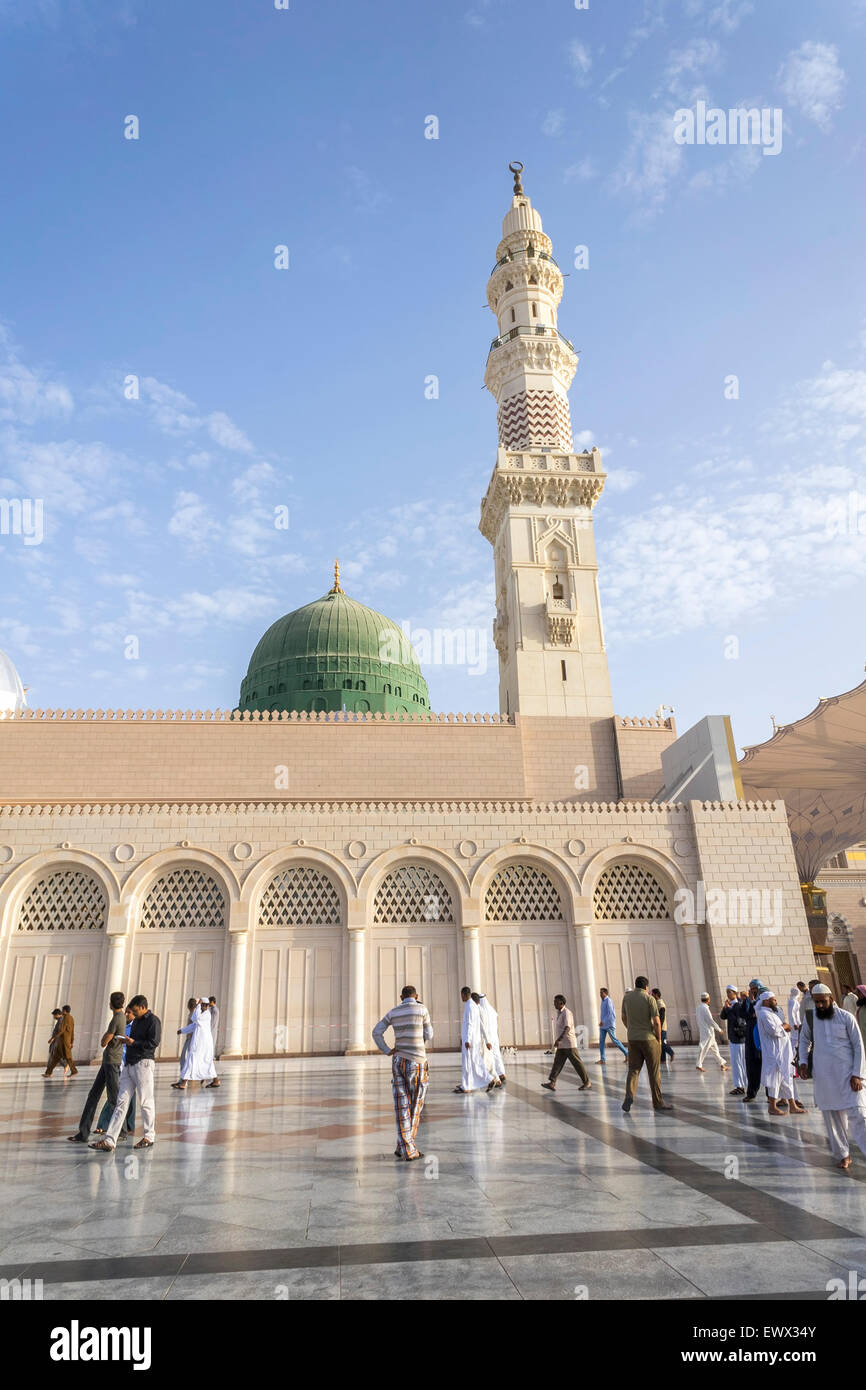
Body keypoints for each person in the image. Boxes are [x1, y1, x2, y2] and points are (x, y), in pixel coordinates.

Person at [798, 984, 866, 1170]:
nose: (819, 1005)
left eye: (823, 1001)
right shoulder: (811, 1019)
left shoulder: (846, 1018)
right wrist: (803, 1061)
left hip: (848, 1076)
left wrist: (857, 1074)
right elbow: (804, 1040)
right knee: (832, 1119)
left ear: (831, 999)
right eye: (816, 1001)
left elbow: (858, 1046)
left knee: (859, 1115)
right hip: (824, 1078)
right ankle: (843, 1155)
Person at [89, 995, 161, 1152]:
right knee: (121, 1102)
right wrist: (127, 1042)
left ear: (143, 1007)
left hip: (144, 1064)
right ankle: (110, 1140)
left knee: (145, 1101)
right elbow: (133, 1040)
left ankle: (149, 1136)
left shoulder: (153, 1021)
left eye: (135, 1011)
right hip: (129, 1064)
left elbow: (153, 1043)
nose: (133, 1014)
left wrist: (134, 1043)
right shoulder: (136, 1022)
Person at [372, 984, 433, 1161]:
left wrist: (386, 1049)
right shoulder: (422, 1010)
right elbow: (429, 1034)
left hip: (398, 1060)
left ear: (401, 997)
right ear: (416, 996)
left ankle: (402, 1145)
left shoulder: (393, 1012)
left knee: (401, 1106)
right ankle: (409, 1148)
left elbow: (376, 1032)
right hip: (418, 1062)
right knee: (416, 1105)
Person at [67, 991, 127, 1143]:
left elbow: (104, 1041)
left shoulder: (117, 1019)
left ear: (111, 1004)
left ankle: (122, 1130)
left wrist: (106, 1036)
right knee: (94, 1095)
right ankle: (83, 1132)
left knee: (113, 1098)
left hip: (111, 1062)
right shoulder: (120, 1017)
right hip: (108, 1061)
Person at [621, 976, 671, 1113]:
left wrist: (630, 1029)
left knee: (633, 1070)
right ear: (646, 987)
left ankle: (629, 1095)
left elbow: (623, 1017)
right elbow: (656, 1021)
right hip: (648, 1039)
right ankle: (657, 1102)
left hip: (633, 1039)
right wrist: (659, 1039)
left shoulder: (627, 998)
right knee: (653, 1072)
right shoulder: (650, 999)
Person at [755, 990, 805, 1116]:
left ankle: (792, 1105)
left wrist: (784, 1026)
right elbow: (773, 1031)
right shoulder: (764, 1014)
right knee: (774, 1079)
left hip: (782, 1052)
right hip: (774, 1053)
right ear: (766, 1001)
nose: (776, 1001)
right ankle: (772, 1107)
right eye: (774, 999)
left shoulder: (771, 1013)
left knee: (786, 1078)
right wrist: (786, 1027)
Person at [94, 1007, 136, 1136]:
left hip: (130, 1064)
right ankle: (105, 1124)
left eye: (130, 1012)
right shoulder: (123, 1025)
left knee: (126, 1096)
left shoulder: (136, 1028)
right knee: (116, 1095)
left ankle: (127, 1125)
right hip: (120, 1064)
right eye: (126, 1012)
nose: (127, 1014)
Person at [542, 994, 591, 1093]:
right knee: (557, 1063)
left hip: (569, 1044)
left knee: (577, 1063)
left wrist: (559, 1039)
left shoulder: (567, 1013)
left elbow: (567, 1028)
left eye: (555, 1002)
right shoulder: (559, 1013)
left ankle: (587, 1082)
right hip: (562, 1045)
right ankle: (552, 1082)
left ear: (561, 1002)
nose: (554, 1003)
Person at [172, 998, 218, 1089]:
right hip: (199, 1044)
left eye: (201, 1005)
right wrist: (182, 1030)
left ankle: (183, 1082)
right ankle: (216, 1080)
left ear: (205, 1005)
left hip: (202, 1044)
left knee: (192, 1060)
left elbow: (194, 1018)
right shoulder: (202, 1016)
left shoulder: (206, 1015)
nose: (200, 1007)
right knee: (202, 1062)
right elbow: (193, 1026)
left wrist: (197, 1006)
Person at [455, 987, 492, 1093]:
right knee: (474, 1062)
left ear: (464, 994)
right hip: (473, 1040)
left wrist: (467, 1039)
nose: (461, 997)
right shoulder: (473, 1006)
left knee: (469, 1063)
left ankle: (468, 1086)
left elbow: (470, 1024)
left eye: (461, 995)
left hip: (470, 1041)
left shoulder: (470, 1006)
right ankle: (469, 1084)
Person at [472, 992, 505, 1086]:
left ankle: (494, 1079)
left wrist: (486, 1040)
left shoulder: (479, 1011)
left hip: (484, 1040)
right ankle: (498, 1076)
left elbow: (482, 1027)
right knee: (491, 1058)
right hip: (491, 1038)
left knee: (486, 1061)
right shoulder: (491, 1010)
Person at [720, 986, 748, 1095]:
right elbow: (723, 1017)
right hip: (733, 1039)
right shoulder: (731, 1005)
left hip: (739, 1039)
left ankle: (741, 1086)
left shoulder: (738, 1005)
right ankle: (739, 1085)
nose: (728, 994)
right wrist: (725, 1007)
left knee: (739, 1063)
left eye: (730, 992)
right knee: (736, 1063)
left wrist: (728, 1009)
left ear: (735, 993)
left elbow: (737, 1020)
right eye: (727, 992)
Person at [741, 980, 765, 1102]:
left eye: (755, 988)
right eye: (752, 989)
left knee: (767, 1067)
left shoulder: (766, 998)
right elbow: (744, 1014)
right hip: (751, 1037)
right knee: (752, 1065)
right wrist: (749, 1001)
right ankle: (751, 1093)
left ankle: (772, 1095)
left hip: (763, 1038)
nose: (754, 991)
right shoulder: (748, 1000)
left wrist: (754, 1004)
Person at [696, 993, 728, 1072]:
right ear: (708, 999)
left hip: (706, 1031)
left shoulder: (698, 1007)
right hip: (708, 1032)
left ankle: (722, 1065)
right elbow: (710, 1021)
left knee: (715, 1049)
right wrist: (719, 1029)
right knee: (703, 1048)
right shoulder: (705, 1009)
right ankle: (698, 1065)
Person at [598, 987, 629, 1064]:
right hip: (603, 1025)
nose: (600, 994)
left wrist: (603, 1021)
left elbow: (610, 1013)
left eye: (601, 993)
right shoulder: (603, 1002)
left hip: (609, 1024)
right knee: (601, 1042)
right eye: (600, 993)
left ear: (606, 993)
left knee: (614, 1040)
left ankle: (627, 1054)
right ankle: (603, 1059)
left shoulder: (608, 1001)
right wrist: (602, 1022)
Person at [650, 988, 675, 1067]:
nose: (652, 996)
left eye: (653, 994)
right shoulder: (656, 1003)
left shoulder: (661, 1005)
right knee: (660, 1044)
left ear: (656, 995)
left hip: (661, 1028)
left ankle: (671, 1052)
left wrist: (659, 1027)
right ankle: (663, 1059)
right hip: (658, 1027)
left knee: (662, 1043)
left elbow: (662, 1018)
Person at [177, 998, 197, 1077]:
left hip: (191, 1038)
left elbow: (192, 1027)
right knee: (188, 1057)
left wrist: (182, 1031)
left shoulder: (193, 1014)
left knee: (184, 1057)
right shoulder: (192, 1013)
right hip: (190, 1038)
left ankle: (185, 1074)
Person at [42, 1009, 65, 1077]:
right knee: (54, 1056)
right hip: (56, 1041)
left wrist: (52, 1039)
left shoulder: (61, 1021)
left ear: (57, 1014)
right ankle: (49, 1072)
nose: (54, 1017)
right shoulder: (60, 1021)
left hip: (56, 1042)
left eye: (54, 1015)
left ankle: (49, 1073)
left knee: (53, 1056)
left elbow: (59, 1032)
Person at [57, 1004, 78, 1076]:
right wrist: (72, 1041)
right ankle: (72, 1070)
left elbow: (62, 1029)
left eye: (62, 1010)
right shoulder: (71, 1018)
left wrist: (54, 1037)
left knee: (68, 1056)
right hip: (68, 1040)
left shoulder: (65, 1018)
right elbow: (72, 1031)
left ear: (64, 1011)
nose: (62, 1012)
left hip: (64, 1040)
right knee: (67, 1056)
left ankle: (73, 1070)